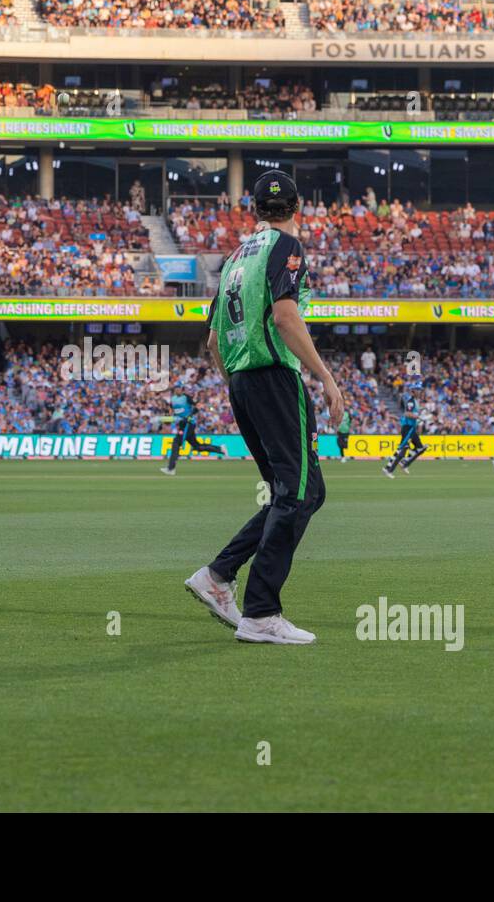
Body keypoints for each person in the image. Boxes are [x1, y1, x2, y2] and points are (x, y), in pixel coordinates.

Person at [184, 169, 343, 645]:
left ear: (254, 210)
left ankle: (218, 575)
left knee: (299, 491)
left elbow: (212, 339)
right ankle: (260, 612)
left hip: (243, 382)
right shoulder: (285, 248)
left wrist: (238, 384)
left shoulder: (235, 257)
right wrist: (327, 378)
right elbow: (286, 316)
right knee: (296, 493)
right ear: (300, 209)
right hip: (275, 377)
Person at [160, 386, 226, 475]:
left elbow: (197, 406)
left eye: (179, 388)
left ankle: (171, 468)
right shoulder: (173, 399)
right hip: (182, 424)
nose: (177, 390)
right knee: (197, 446)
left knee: (176, 443)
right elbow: (172, 410)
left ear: (181, 389)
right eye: (176, 388)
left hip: (188, 424)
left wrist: (190, 414)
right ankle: (220, 449)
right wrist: (169, 416)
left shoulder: (186, 397)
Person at [382, 378, 425, 477]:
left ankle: (404, 463)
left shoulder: (415, 402)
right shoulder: (411, 401)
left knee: (420, 448)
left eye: (420, 390)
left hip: (411, 428)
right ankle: (388, 469)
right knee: (402, 449)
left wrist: (420, 412)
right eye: (418, 390)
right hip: (408, 428)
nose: (420, 391)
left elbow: (412, 413)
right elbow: (407, 413)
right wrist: (418, 416)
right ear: (413, 391)